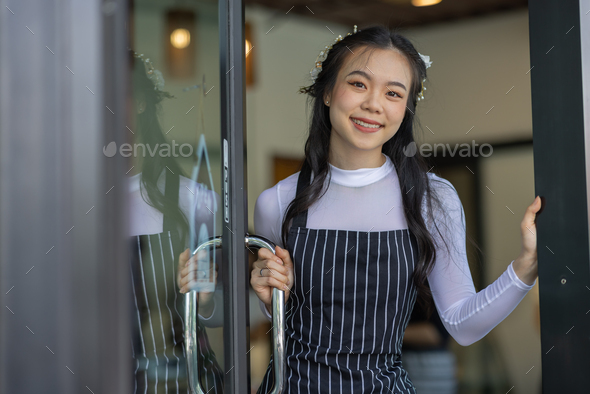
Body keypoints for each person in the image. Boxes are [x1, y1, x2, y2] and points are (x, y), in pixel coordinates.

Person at [249, 25, 541, 393]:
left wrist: (525, 266)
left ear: (405, 108)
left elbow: (462, 326)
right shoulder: (278, 201)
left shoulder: (431, 199)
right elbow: (274, 317)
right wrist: (269, 296)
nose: (374, 103)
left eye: (393, 93)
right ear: (326, 92)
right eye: (358, 84)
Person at [126, 49, 223, 393]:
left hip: (178, 382)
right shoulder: (66, 204)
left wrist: (207, 298)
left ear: (139, 102)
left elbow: (226, 313)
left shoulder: (191, 200)